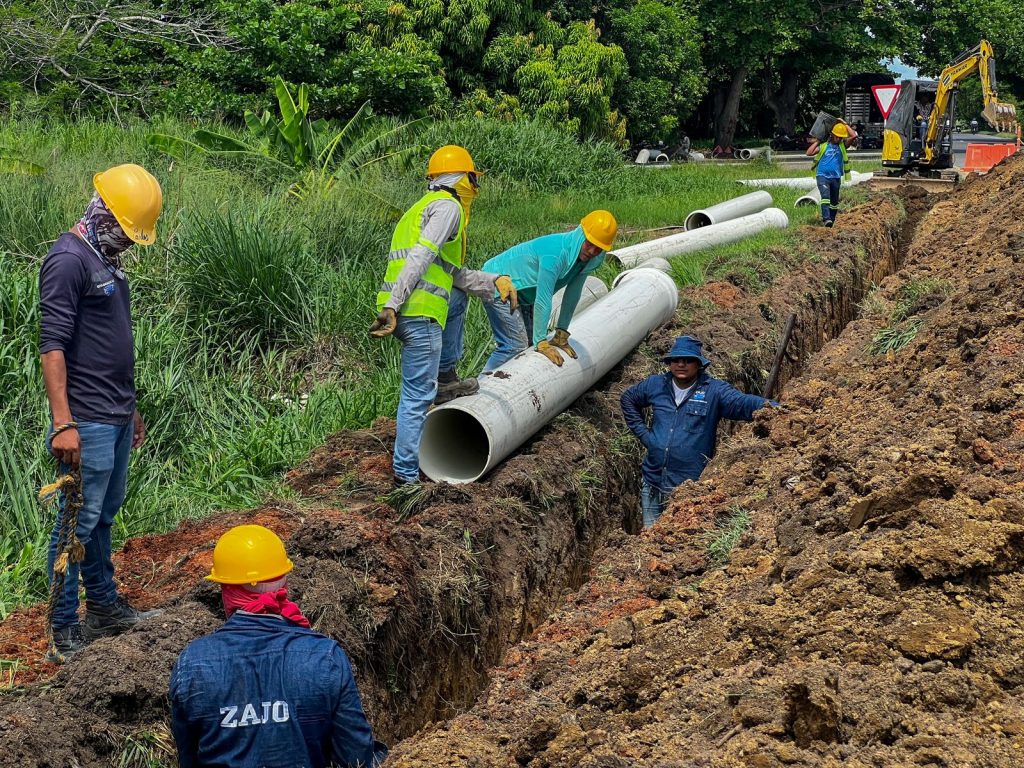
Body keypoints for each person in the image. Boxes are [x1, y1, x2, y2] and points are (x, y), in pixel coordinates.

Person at [39, 163, 164, 660]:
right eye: (128, 233)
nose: (132, 243)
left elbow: (110, 344)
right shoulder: (68, 261)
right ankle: (63, 626)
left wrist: (130, 407)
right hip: (85, 418)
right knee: (76, 523)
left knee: (103, 518)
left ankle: (105, 608)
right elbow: (53, 348)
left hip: (113, 413)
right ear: (105, 214)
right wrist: (63, 422)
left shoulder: (105, 259)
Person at [170, 525, 387, 768]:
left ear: (226, 589)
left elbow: (188, 759)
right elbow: (356, 758)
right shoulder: (325, 657)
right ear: (284, 582)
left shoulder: (192, 664)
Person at [368, 145, 518, 484]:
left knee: (459, 298)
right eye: (473, 178)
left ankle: (446, 378)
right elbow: (420, 257)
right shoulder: (448, 207)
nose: (475, 187)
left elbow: (452, 275)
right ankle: (406, 477)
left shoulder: (421, 208)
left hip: (410, 311)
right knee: (417, 394)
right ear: (464, 179)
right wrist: (394, 303)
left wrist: (493, 281)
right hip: (417, 313)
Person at [620, 336, 775, 528]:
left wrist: (776, 409)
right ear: (669, 363)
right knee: (650, 539)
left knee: (677, 543)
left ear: (699, 364)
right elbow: (628, 399)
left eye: (688, 360)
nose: (681, 364)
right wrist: (645, 437)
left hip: (688, 490)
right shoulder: (656, 385)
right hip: (653, 482)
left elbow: (743, 403)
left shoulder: (713, 391)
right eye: (676, 360)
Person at [470, 210, 617, 371]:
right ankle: (480, 390)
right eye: (589, 244)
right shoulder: (556, 253)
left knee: (527, 347)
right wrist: (541, 341)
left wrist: (561, 332)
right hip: (500, 282)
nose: (591, 252)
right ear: (581, 235)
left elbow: (573, 294)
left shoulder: (591, 259)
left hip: (523, 295)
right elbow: (543, 297)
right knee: (514, 346)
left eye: (598, 249)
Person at [806, 119, 857, 228]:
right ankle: (826, 219)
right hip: (822, 176)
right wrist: (818, 141)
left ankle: (831, 221)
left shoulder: (842, 146)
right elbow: (809, 152)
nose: (838, 139)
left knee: (834, 202)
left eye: (841, 137)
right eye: (837, 136)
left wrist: (844, 124)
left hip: (836, 177)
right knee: (825, 196)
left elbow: (853, 136)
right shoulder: (824, 146)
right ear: (832, 135)